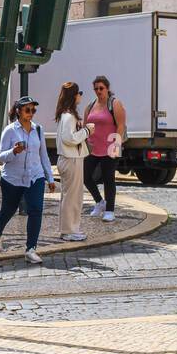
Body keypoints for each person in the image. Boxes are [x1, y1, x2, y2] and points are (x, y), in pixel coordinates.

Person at [0, 97, 56, 265]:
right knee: (8, 209)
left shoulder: (38, 130)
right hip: (13, 178)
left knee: (35, 210)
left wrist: (50, 177)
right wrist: (14, 151)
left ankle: (31, 249)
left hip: (35, 176)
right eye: (28, 110)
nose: (31, 113)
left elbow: (43, 155)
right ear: (19, 111)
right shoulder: (10, 130)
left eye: (33, 110)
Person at [83, 75, 127, 223]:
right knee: (86, 177)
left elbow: (121, 125)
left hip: (110, 146)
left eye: (101, 88)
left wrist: (116, 144)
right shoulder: (90, 106)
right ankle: (100, 202)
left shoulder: (114, 103)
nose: (98, 91)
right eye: (96, 88)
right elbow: (85, 126)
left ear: (107, 88)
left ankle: (110, 211)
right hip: (93, 147)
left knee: (109, 179)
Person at [55, 82, 92, 242]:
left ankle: (69, 229)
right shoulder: (69, 116)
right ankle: (70, 230)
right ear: (73, 95)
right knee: (73, 196)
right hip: (72, 159)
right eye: (79, 92)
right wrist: (87, 131)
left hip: (70, 158)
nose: (80, 96)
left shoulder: (66, 115)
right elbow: (69, 138)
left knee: (69, 195)